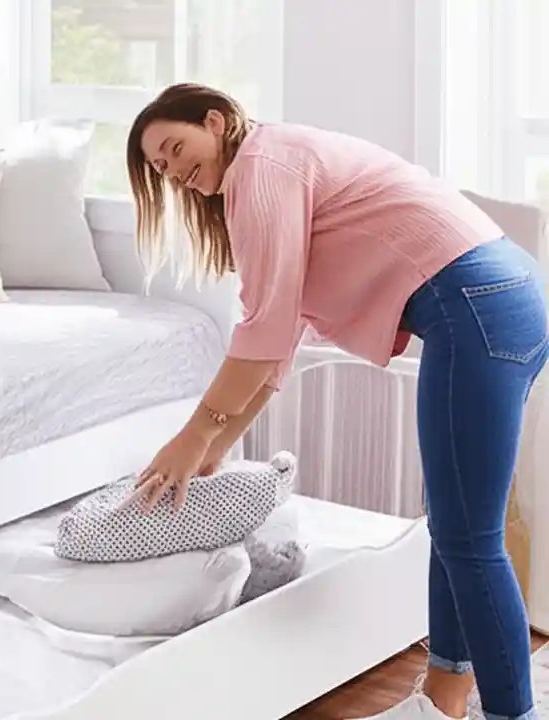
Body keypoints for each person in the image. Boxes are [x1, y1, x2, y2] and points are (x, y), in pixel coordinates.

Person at [126, 83, 546, 720]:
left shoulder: (260, 168)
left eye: (176, 149)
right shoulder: (275, 160)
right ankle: (445, 696)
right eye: (160, 167)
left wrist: (193, 436)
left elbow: (263, 333)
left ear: (215, 121)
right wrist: (219, 441)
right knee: (456, 522)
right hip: (505, 296)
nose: (173, 171)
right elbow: (278, 339)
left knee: (469, 535)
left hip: (476, 310)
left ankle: (513, 713)